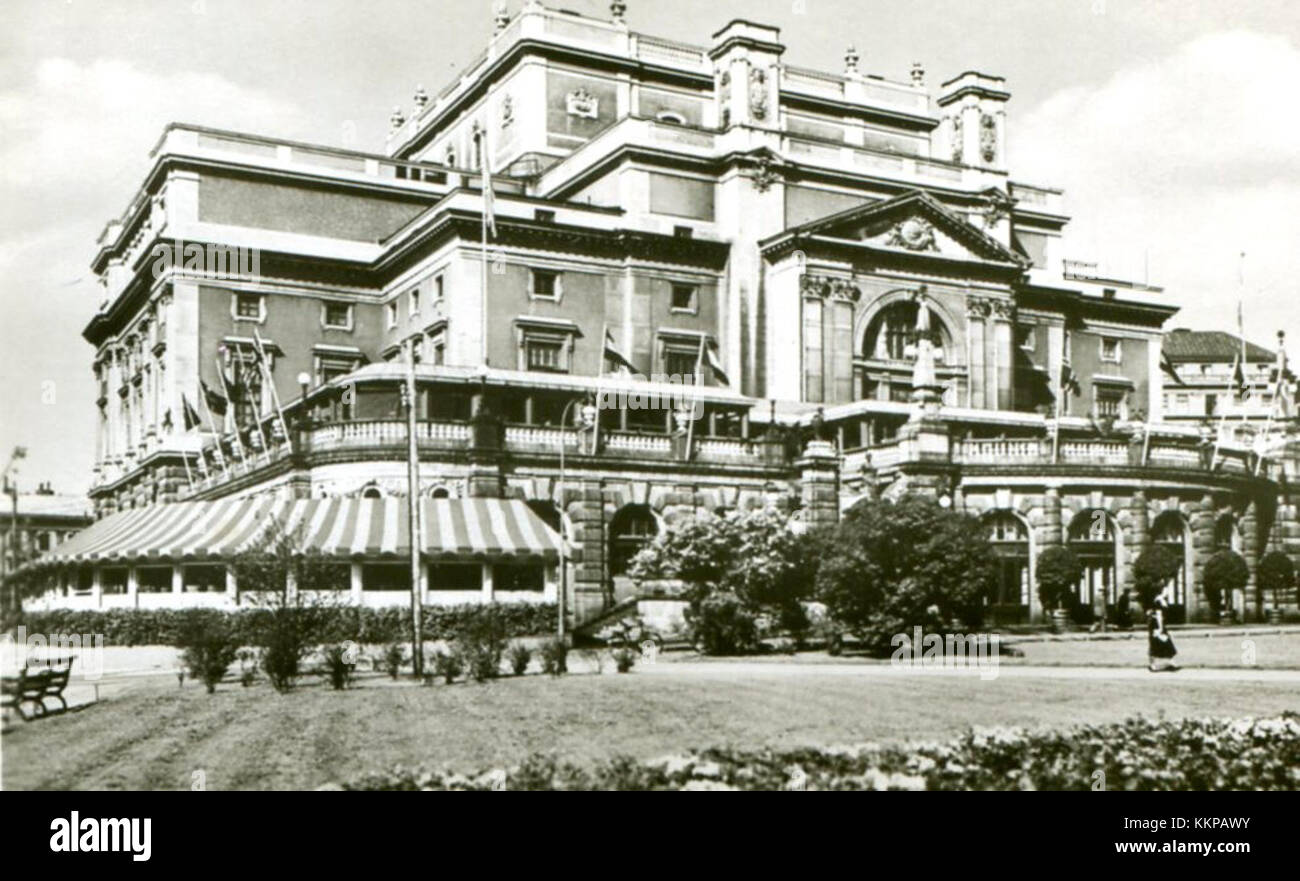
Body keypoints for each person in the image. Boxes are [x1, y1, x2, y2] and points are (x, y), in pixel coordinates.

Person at [1146, 596, 1179, 672]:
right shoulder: (1159, 605)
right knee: (1166, 645)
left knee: (1154, 646)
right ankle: (1171, 663)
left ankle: (1153, 665)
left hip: (1154, 628)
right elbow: (1159, 617)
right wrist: (1160, 629)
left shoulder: (1156, 605)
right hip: (1158, 628)